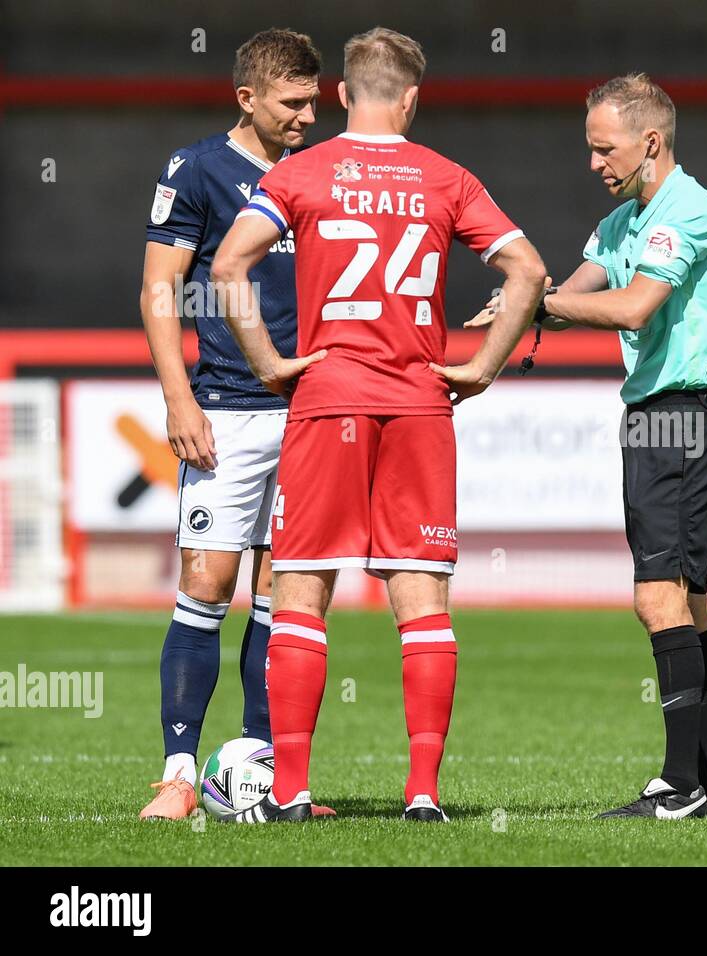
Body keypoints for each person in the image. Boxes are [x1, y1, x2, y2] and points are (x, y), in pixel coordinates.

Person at [211, 26, 546, 823]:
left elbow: (228, 265)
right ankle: (423, 792)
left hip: (327, 399)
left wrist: (266, 360)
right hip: (420, 401)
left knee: (299, 591)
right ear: (412, 98)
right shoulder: (445, 177)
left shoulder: (303, 171)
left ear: (340, 94)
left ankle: (289, 790)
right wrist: (483, 365)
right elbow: (527, 270)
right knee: (421, 597)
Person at [471, 73, 707, 819]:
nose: (593, 162)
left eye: (604, 148)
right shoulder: (623, 222)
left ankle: (679, 786)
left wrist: (542, 301)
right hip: (657, 419)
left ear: (650, 142)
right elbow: (578, 291)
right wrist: (525, 301)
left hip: (684, 416)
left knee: (657, 598)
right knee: (687, 605)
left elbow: (630, 305)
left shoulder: (689, 210)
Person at [137, 28, 333, 821]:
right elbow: (160, 290)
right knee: (207, 583)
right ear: (247, 98)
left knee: (285, 594)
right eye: (293, 103)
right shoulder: (196, 171)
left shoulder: (325, 173)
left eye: (316, 101)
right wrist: (179, 400)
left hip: (316, 412)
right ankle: (179, 773)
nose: (308, 118)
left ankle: (263, 774)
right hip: (225, 407)